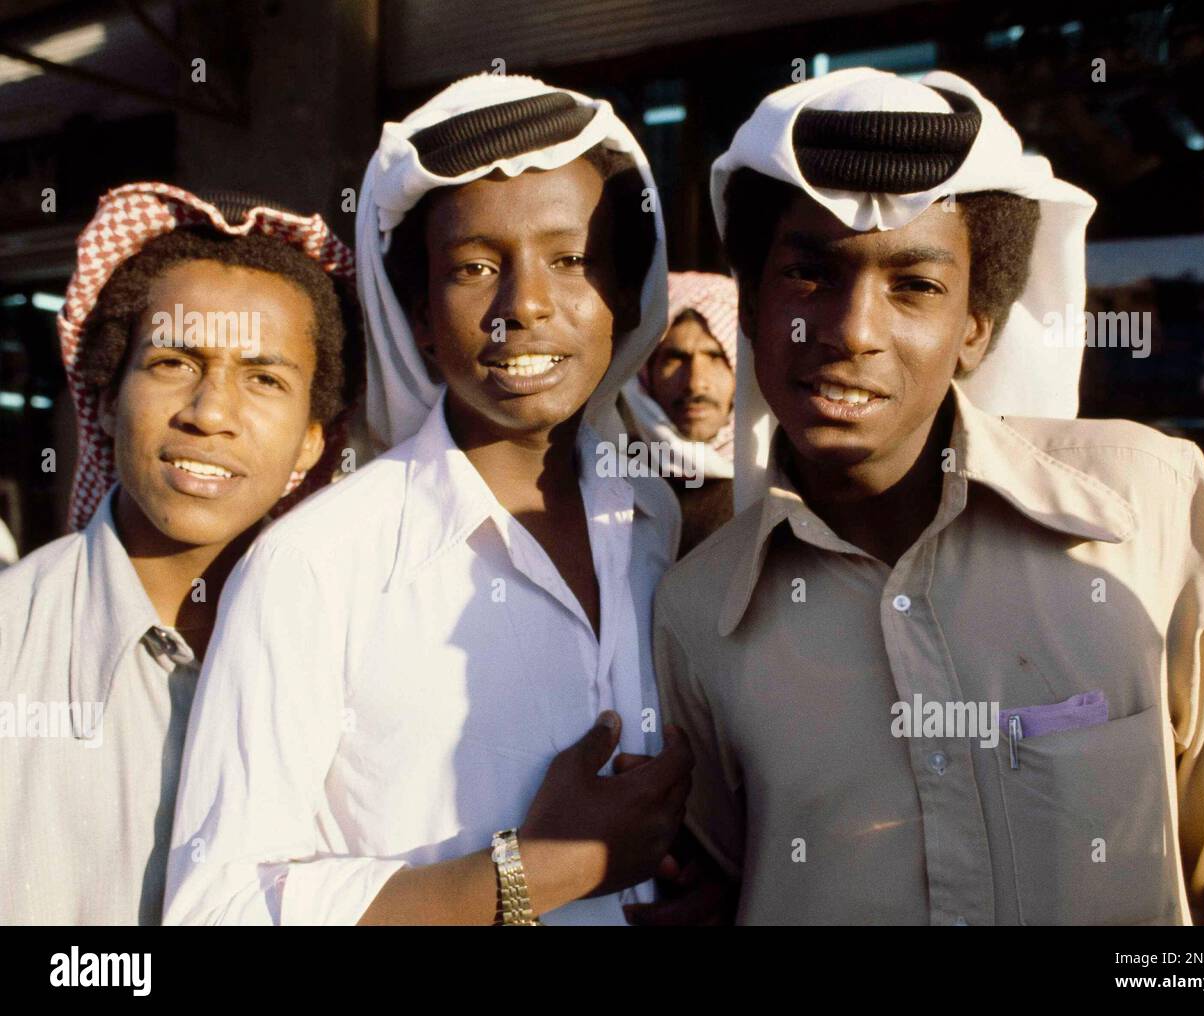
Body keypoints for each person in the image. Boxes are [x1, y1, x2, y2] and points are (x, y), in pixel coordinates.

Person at [653, 67, 1204, 925]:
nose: (853, 331)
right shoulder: (699, 612)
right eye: (810, 274)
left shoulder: (1145, 504)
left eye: (914, 286)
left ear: (976, 330)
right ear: (753, 311)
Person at [164, 74, 696, 926]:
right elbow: (216, 905)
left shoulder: (652, 523)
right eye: (475, 267)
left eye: (571, 260)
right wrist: (533, 876)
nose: (523, 306)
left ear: (625, 296)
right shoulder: (318, 564)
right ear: (416, 312)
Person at [0, 183, 362, 924]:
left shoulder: (363, 647)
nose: (210, 414)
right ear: (103, 396)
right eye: (173, 363)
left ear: (312, 440)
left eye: (263, 378)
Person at [622, 271, 738, 555]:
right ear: (645, 374)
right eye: (675, 358)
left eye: (715, 357)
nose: (695, 382)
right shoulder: (611, 482)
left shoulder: (779, 481)